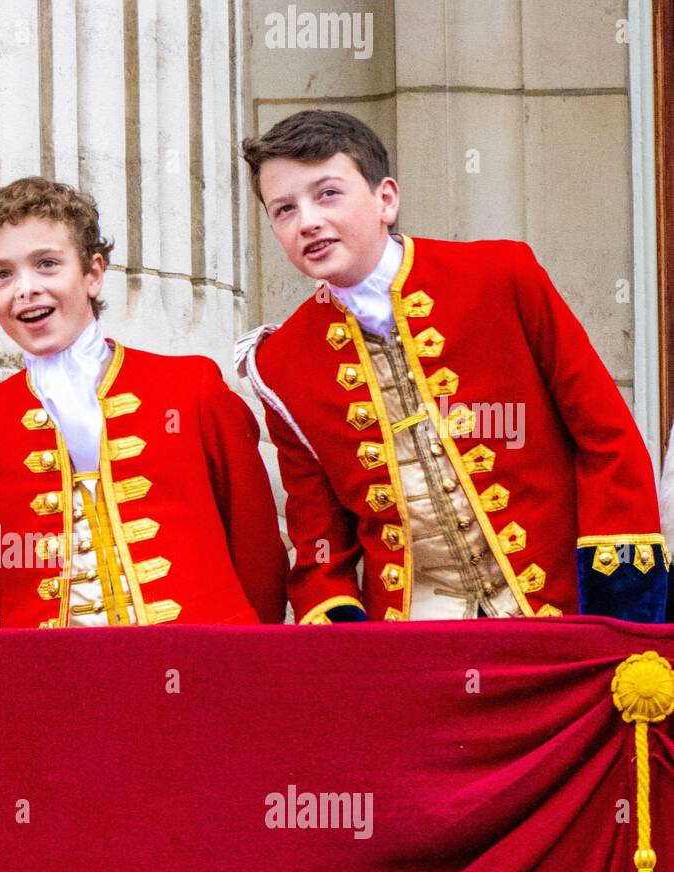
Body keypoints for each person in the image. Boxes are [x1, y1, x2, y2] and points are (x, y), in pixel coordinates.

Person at [238, 109, 667, 623]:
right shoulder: (280, 364)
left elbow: (605, 436)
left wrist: (621, 601)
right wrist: (343, 630)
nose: (307, 221)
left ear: (385, 200)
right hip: (416, 641)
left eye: (327, 193)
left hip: (560, 611)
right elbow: (319, 538)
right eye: (284, 209)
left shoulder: (502, 276)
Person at [0, 176, 288, 629]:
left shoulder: (190, 388)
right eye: (2, 275)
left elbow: (257, 548)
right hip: (52, 672)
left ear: (93, 274)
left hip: (203, 663)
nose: (25, 288)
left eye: (46, 264)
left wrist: (249, 655)